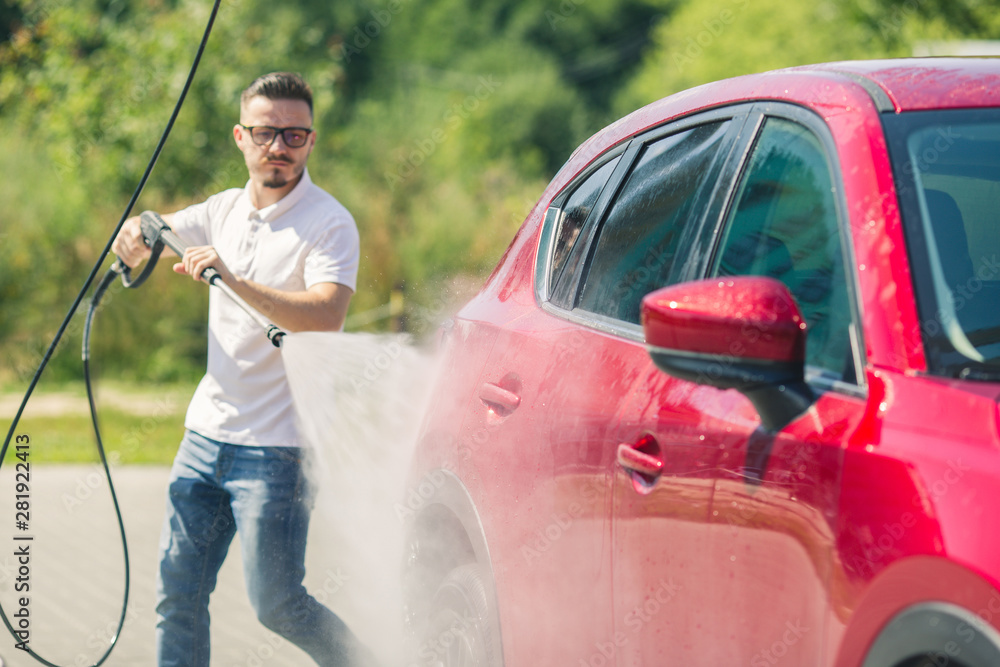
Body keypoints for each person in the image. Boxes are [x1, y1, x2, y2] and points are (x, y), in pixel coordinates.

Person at [112, 72, 375, 667]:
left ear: (311, 140)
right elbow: (153, 232)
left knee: (277, 605)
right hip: (204, 438)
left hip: (277, 452)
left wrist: (231, 279)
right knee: (177, 598)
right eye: (265, 133)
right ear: (240, 136)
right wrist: (132, 236)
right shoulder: (221, 210)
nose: (278, 146)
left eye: (293, 134)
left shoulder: (330, 222)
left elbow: (326, 316)